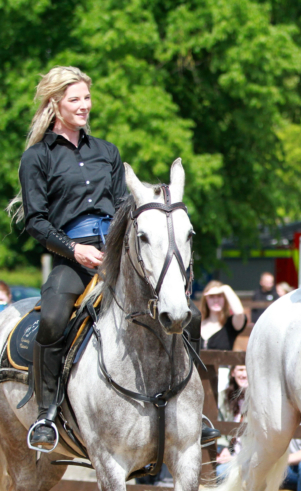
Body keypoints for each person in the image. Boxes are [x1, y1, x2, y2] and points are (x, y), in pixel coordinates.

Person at [7, 67, 218, 452]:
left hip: (119, 251)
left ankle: (191, 410)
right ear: (55, 103)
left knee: (188, 315)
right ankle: (47, 413)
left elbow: (125, 208)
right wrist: (74, 249)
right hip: (73, 255)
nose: (84, 106)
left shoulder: (107, 152)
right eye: (75, 99)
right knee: (52, 319)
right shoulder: (37, 157)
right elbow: (36, 221)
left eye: (87, 98)